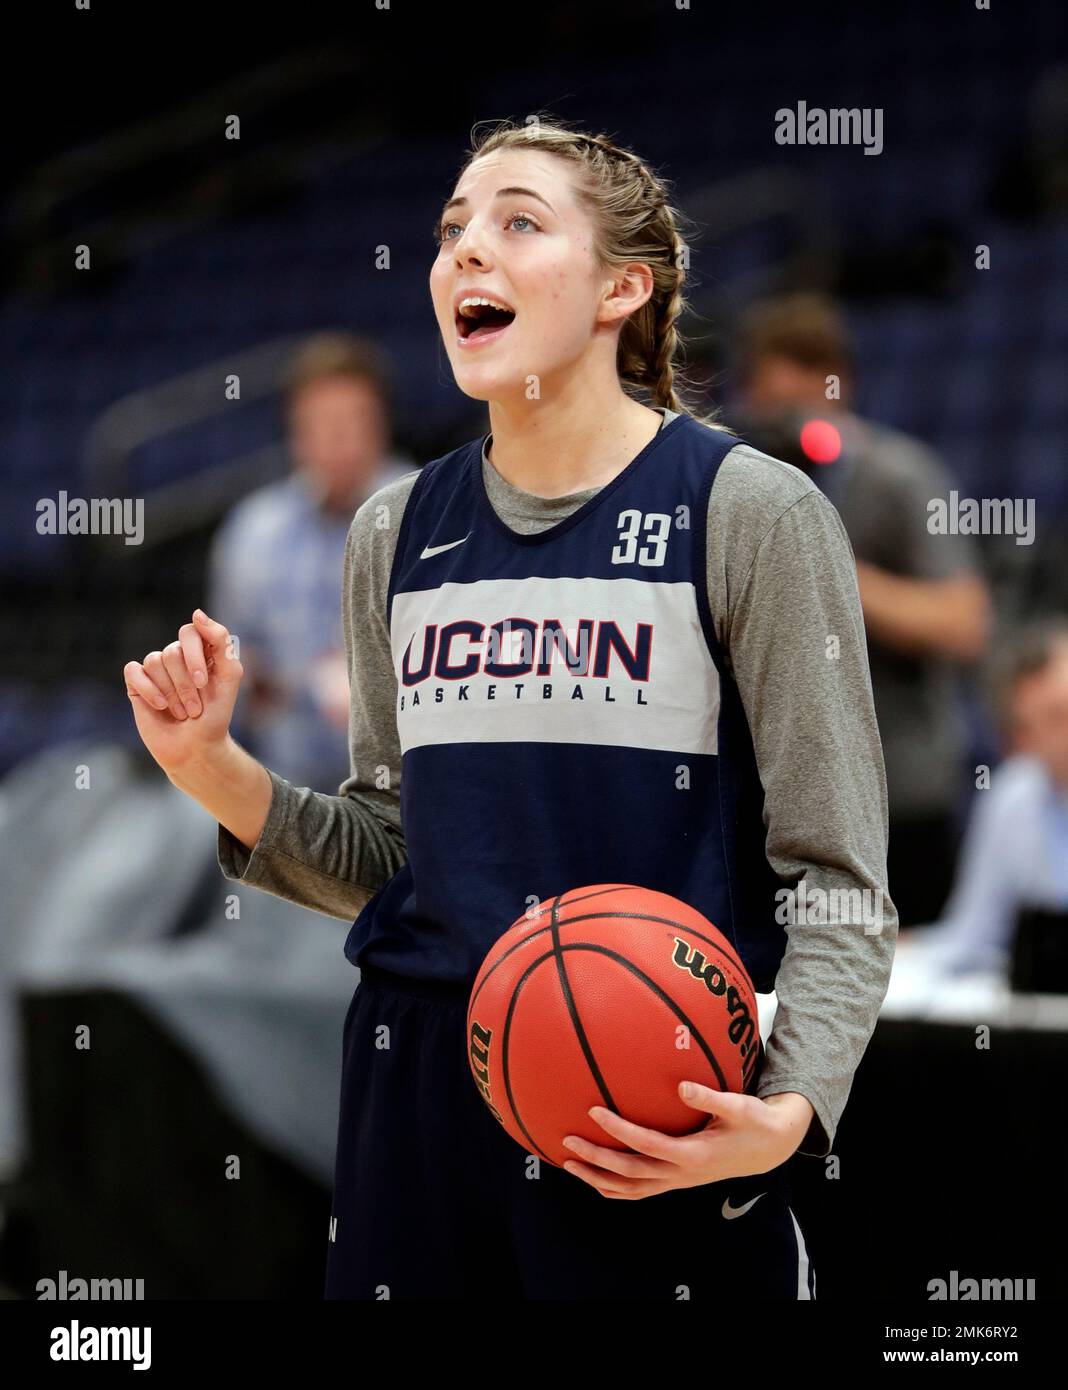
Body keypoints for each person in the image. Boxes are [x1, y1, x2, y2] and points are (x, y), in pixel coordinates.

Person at [122, 117, 898, 1301]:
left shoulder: (752, 514)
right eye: (450, 231)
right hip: (419, 1092)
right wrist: (209, 764)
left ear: (620, 289)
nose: (464, 253)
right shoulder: (393, 529)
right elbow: (398, 853)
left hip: (647, 1091)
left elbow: (837, 875)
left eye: (517, 222)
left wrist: (792, 1110)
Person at [734, 293, 992, 927]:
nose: (786, 431)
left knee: (902, 1002)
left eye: (797, 411)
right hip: (784, 800)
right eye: (770, 413)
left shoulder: (899, 476)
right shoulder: (738, 487)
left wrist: (833, 572)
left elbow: (965, 624)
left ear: (838, 386)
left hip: (899, 798)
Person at [207, 334, 415, 793]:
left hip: (405, 791)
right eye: (319, 423)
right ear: (296, 429)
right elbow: (229, 649)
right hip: (285, 788)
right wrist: (255, 679)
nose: (335, 439)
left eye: (349, 422)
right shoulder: (253, 530)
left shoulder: (428, 511)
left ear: (379, 424)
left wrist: (374, 685)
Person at [913, 618, 1068, 975]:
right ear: (1023, 739)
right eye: (1055, 717)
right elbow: (972, 935)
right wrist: (899, 947)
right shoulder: (1010, 798)